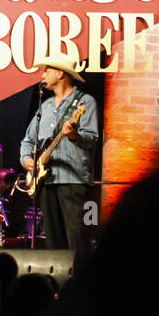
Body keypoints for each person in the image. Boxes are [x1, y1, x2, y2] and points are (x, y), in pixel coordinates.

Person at [19, 56, 99, 250]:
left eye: (46, 70)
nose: (42, 74)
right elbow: (28, 141)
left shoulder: (85, 102)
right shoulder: (44, 107)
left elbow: (91, 138)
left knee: (76, 238)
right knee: (52, 240)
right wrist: (27, 159)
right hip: (46, 181)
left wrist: (73, 136)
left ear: (60, 73)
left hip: (72, 180)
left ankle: (79, 278)